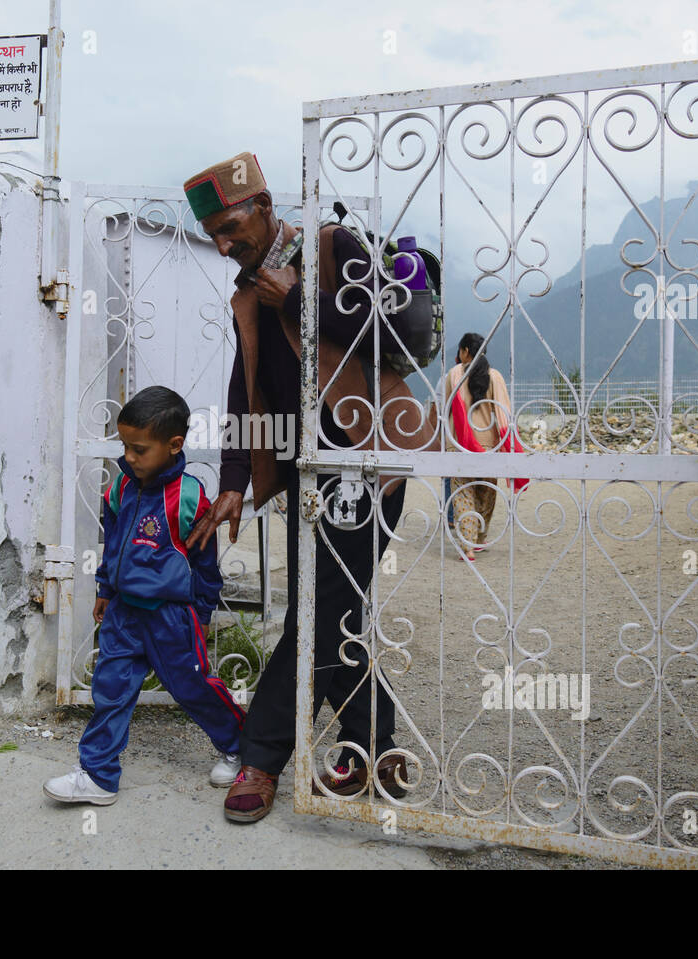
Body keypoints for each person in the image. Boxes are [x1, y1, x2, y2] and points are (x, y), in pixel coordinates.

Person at [180, 151, 435, 823]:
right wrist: (235, 478)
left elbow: (393, 331)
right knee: (331, 615)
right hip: (307, 477)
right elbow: (249, 385)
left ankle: (261, 758)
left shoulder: (331, 249)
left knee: (315, 614)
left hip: (364, 462)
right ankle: (370, 752)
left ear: (264, 207)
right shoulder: (246, 290)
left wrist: (296, 298)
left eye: (233, 228)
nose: (226, 244)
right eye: (216, 237)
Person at [43, 386, 246, 806]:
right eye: (125, 447)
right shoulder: (119, 489)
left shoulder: (189, 498)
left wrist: (204, 612)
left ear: (174, 445)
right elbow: (113, 544)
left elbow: (205, 563)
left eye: (139, 449)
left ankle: (242, 746)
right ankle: (98, 775)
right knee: (111, 689)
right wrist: (104, 588)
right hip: (123, 613)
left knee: (192, 687)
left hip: (172, 617)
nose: (130, 457)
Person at [444, 332, 526, 560]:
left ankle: (467, 546)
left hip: (460, 442)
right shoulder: (495, 376)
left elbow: (447, 408)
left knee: (462, 494)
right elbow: (504, 412)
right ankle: (479, 539)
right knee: (486, 493)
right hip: (490, 445)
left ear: (466, 351)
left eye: (460, 351)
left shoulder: (455, 374)